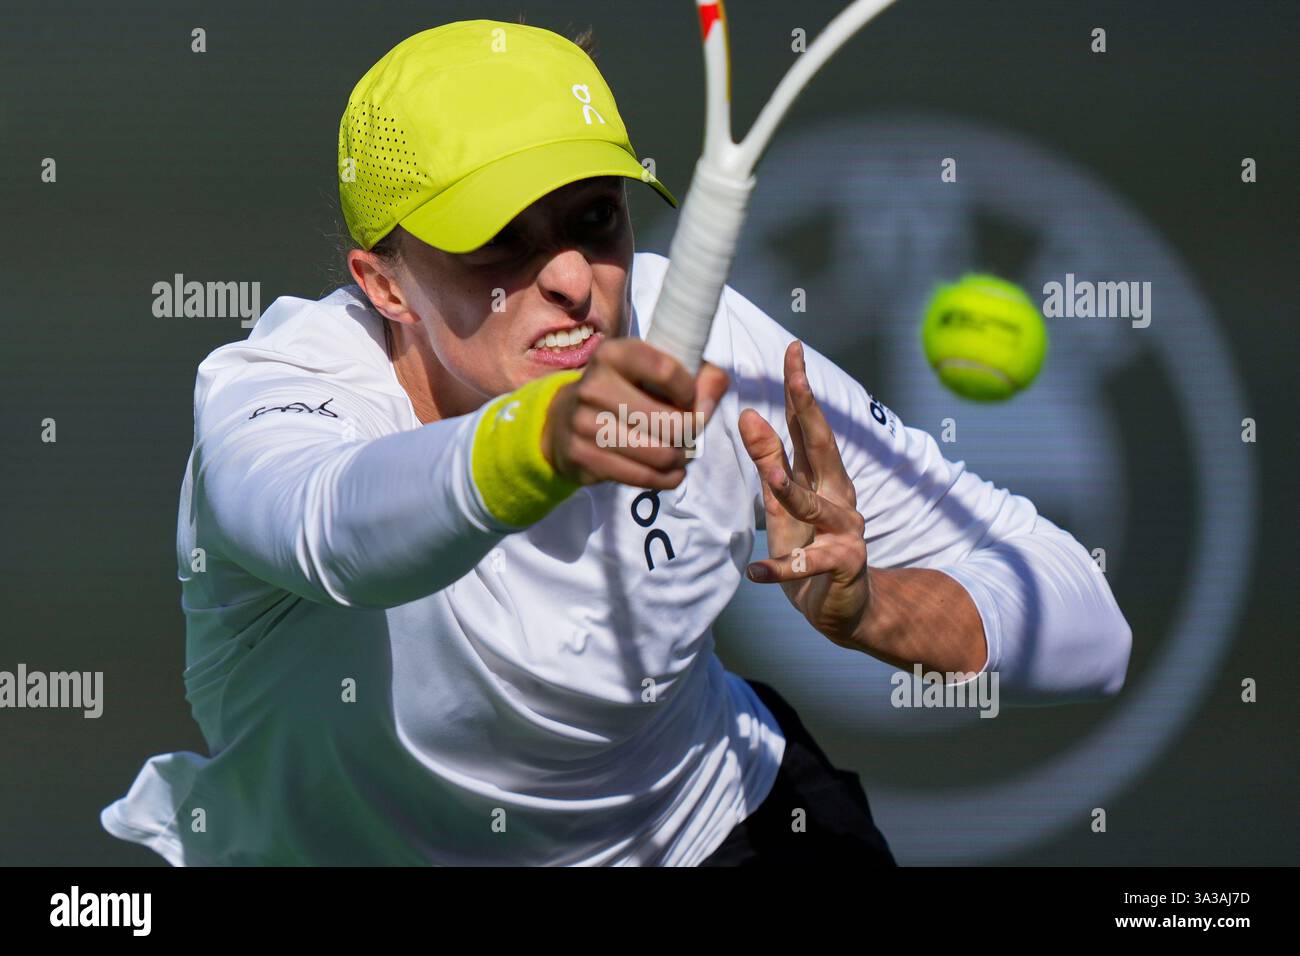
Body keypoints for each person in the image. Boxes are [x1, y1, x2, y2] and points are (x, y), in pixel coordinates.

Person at [100, 19, 1131, 866]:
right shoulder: (279, 385)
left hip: (721, 837)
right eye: (497, 239)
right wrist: (548, 439)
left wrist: (880, 612)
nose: (568, 277)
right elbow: (332, 527)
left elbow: (1092, 627)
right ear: (382, 283)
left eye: (593, 219)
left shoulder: (714, 350)